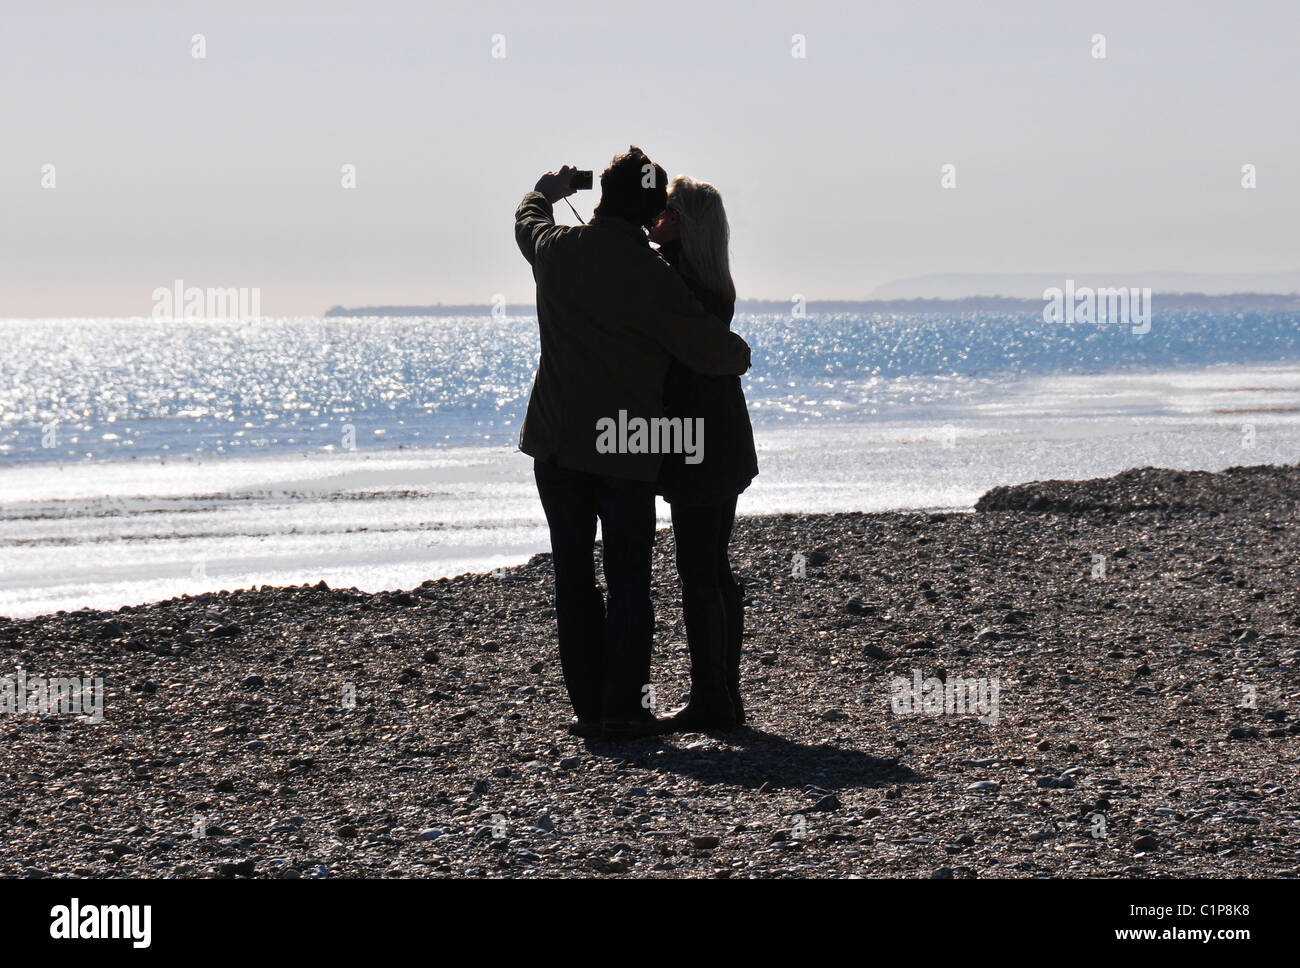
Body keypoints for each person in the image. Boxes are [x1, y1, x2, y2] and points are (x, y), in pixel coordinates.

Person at [515, 147, 752, 739]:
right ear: (649, 217)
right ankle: (623, 706)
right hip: (624, 451)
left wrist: (545, 187)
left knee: (572, 577)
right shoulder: (652, 276)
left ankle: (589, 709)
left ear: (600, 198)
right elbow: (716, 353)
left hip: (555, 443)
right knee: (628, 584)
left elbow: (528, 220)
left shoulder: (556, 251)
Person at [648, 176, 758, 732]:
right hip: (724, 437)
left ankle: (712, 697)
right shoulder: (712, 280)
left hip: (698, 442)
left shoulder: (675, 280)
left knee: (699, 568)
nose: (654, 215)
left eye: (665, 209)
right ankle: (722, 693)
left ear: (684, 223)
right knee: (712, 565)